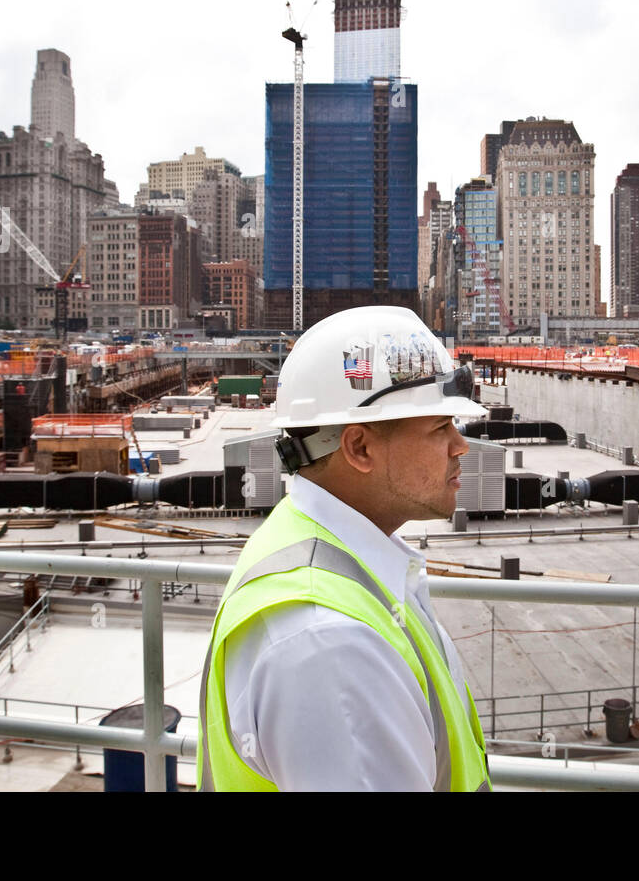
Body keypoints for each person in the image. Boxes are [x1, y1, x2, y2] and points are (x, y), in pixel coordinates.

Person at [197, 306, 492, 791]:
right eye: (441, 428)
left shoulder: (316, 547)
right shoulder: (329, 646)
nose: (460, 446)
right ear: (359, 448)